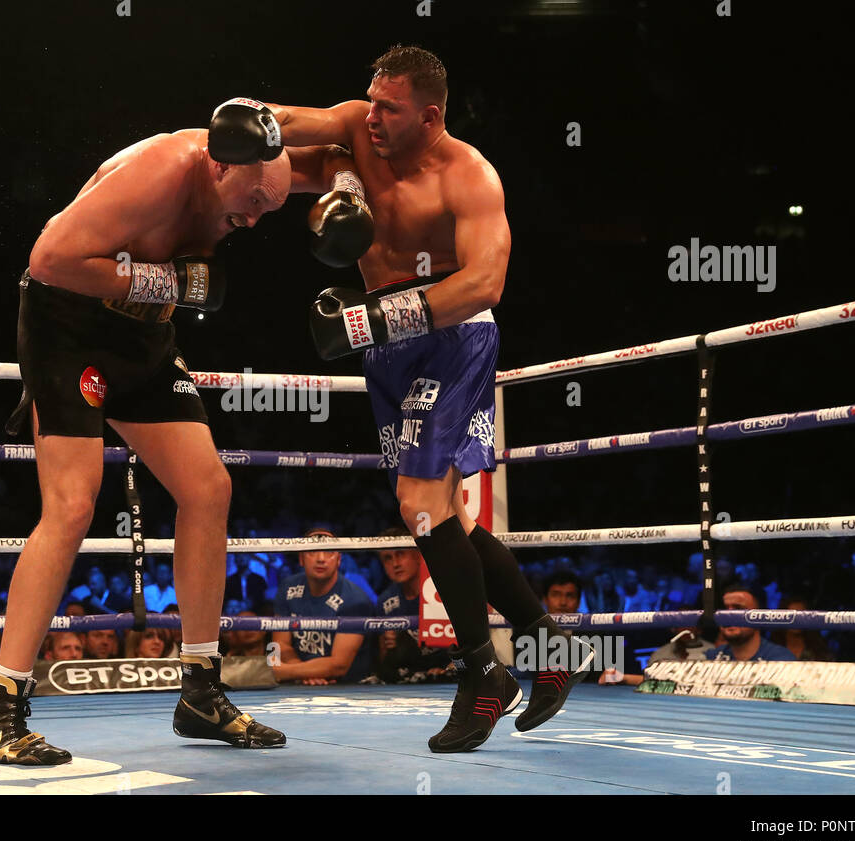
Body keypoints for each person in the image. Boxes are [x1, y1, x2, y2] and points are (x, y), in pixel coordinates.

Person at [216, 46, 591, 751]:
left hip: (450, 336)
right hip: (389, 348)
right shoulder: (358, 129)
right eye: (371, 100)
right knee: (439, 514)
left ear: (431, 114)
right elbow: (300, 122)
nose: (372, 115)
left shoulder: (469, 175)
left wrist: (368, 318)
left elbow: (483, 285)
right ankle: (548, 646)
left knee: (420, 504)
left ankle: (484, 672)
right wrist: (244, 125)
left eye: (389, 107)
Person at [0, 120, 301, 764]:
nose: (257, 220)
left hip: (142, 341)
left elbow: (342, 146)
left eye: (272, 208)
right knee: (70, 506)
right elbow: (49, 260)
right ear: (221, 168)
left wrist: (350, 189)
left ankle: (201, 690)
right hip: (68, 329)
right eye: (255, 202)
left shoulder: (257, 162)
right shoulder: (160, 173)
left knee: (208, 488)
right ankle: (1, 711)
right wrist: (170, 284)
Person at [270, 529, 374, 684]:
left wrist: (283, 671)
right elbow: (280, 643)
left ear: (338, 560)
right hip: (301, 683)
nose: (320, 559)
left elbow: (339, 665)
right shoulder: (288, 587)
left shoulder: (355, 599)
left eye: (328, 552)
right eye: (312, 551)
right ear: (301, 559)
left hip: (348, 687)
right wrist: (302, 672)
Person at [374, 527, 450, 681]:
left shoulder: (444, 590)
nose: (395, 564)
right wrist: (389, 647)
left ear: (417, 555)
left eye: (400, 554)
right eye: (388, 558)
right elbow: (385, 663)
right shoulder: (386, 601)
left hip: (447, 671)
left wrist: (451, 667)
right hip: (410, 677)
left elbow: (469, 641)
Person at [705, 586, 798, 662]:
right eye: (725, 609)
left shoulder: (781, 659)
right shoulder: (711, 657)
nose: (730, 615)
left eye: (738, 609)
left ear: (758, 616)